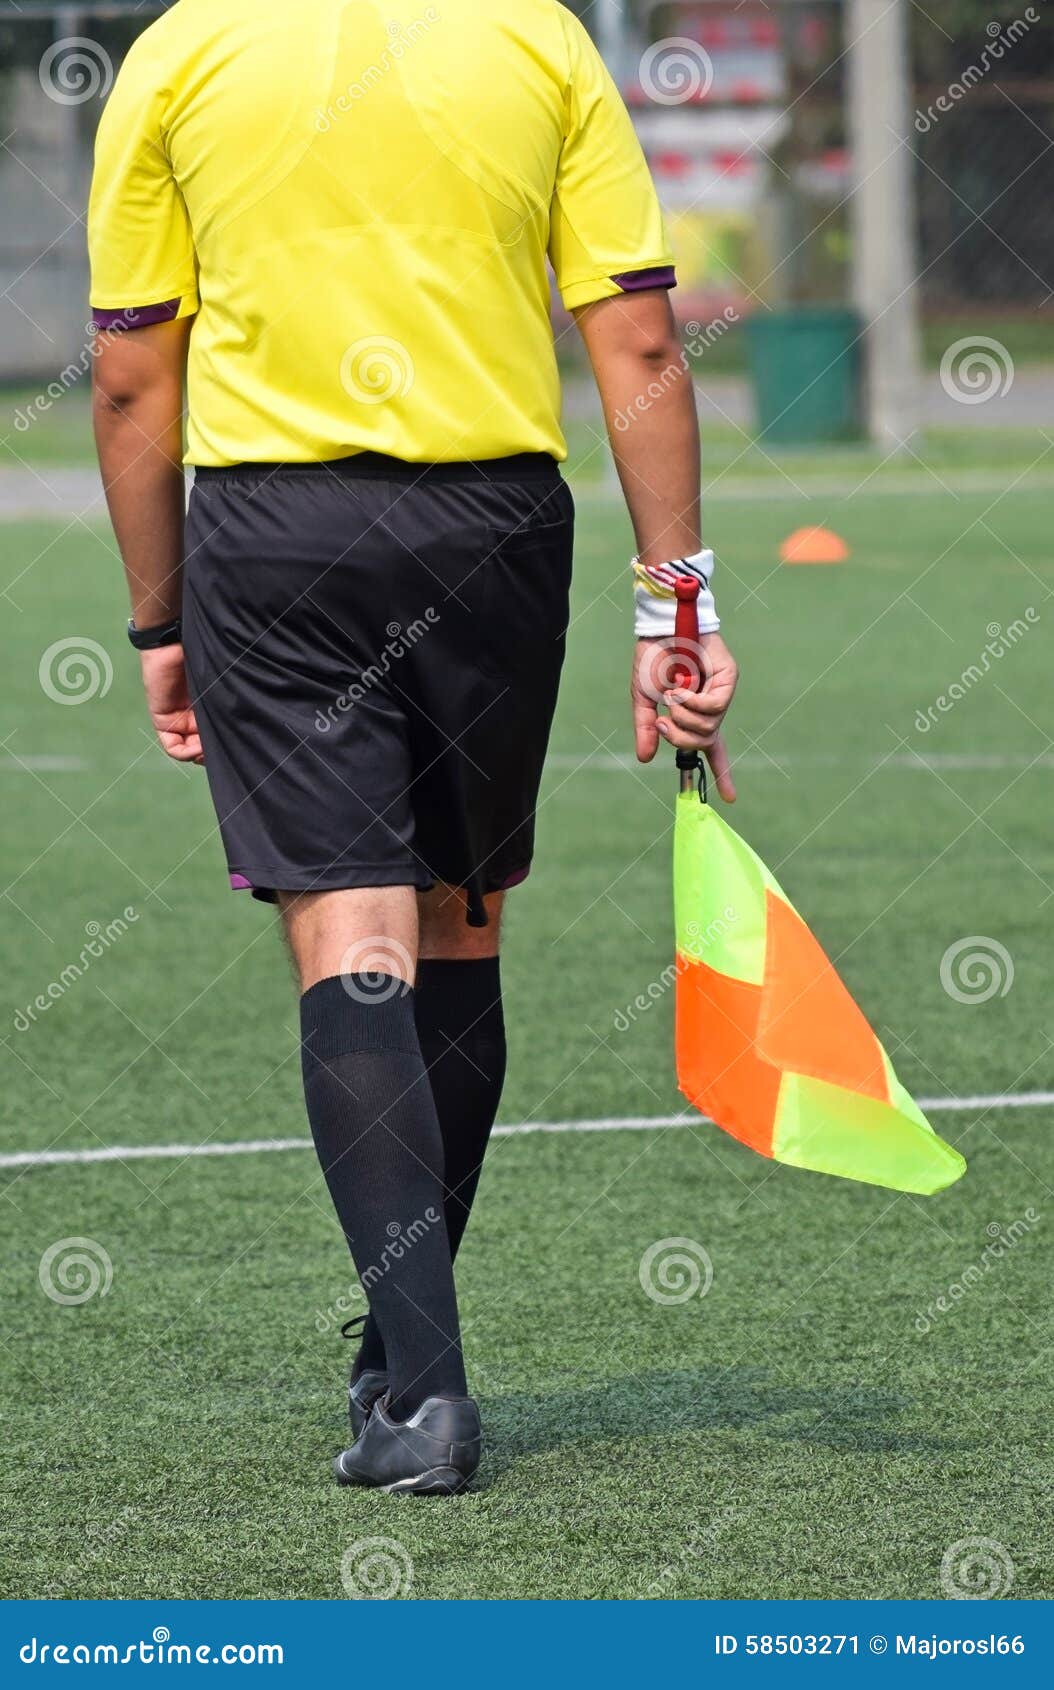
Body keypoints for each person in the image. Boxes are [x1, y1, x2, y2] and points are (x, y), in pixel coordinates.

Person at [88, 0, 738, 1496]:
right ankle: (400, 1356)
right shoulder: (540, 39)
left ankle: (424, 1395)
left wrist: (157, 616)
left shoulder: (181, 51)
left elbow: (129, 376)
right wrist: (677, 601)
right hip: (493, 527)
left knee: (353, 939)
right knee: (456, 925)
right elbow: (638, 338)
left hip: (273, 536)